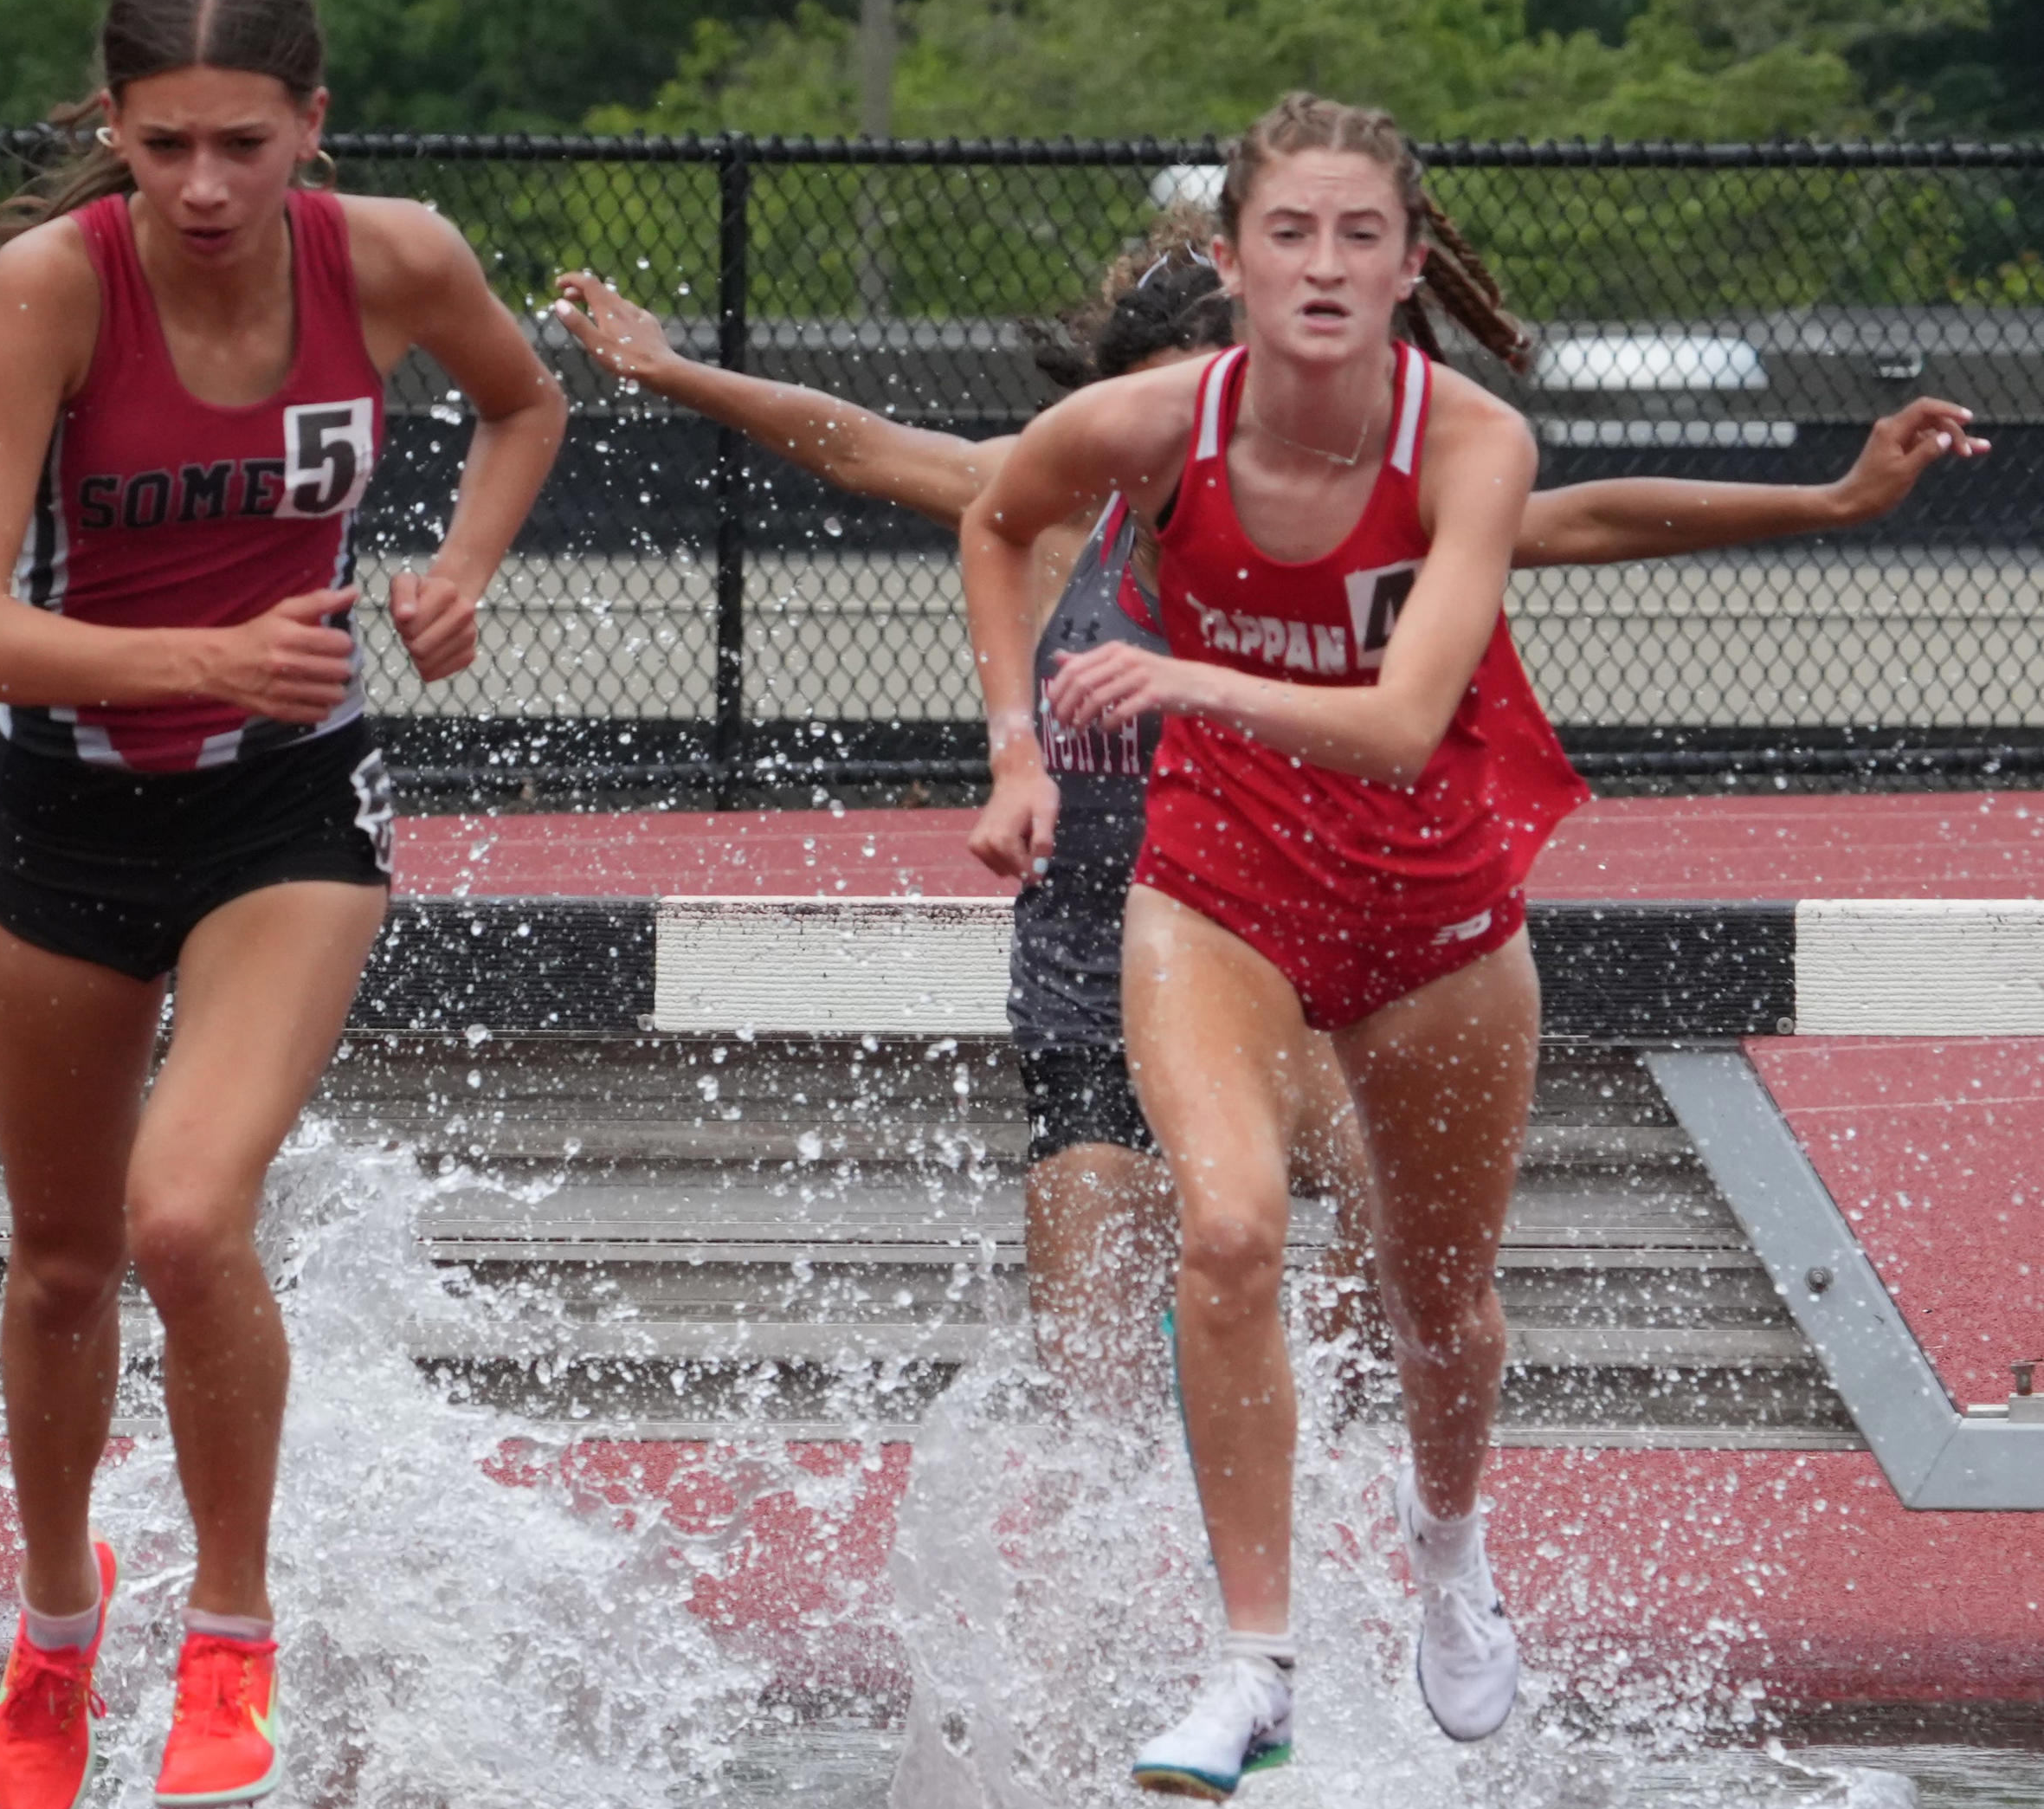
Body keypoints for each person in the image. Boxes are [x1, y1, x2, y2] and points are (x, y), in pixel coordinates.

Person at [552, 236, 1987, 1431]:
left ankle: (1341, 1522)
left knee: (1379, 1215)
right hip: (1091, 994)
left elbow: (1590, 517)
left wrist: (1834, 498)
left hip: (1273, 967)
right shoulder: (1063, 514)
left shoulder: (1347, 519)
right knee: (1091, 1368)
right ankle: (1114, 1634)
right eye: (1150, 421)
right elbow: (860, 444)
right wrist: (674, 370)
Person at [0, 0, 564, 1809]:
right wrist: (198, 659)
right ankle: (54, 1622)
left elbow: (523, 409)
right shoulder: (54, 290)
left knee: (187, 1217)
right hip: (68, 811)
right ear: (109, 126)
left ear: (313, 130)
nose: (202, 188)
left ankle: (231, 1626)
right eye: (165, 144)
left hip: (285, 809)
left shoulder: (394, 259)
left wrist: (457, 572)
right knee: (61, 1265)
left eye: (243, 146)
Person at [954, 92, 1592, 1801]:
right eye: (1288, 234)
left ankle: (1447, 1556)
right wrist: (1016, 749)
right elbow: (990, 520)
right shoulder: (1154, 425)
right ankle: (1252, 1662)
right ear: (1230, 261)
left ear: (1406, 266)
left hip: (1431, 906)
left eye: (1356, 236)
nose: (1321, 264)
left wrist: (1179, 678)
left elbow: (1396, 721)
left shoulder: (1468, 450)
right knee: (1226, 1229)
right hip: (1213, 887)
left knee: (1437, 1302)